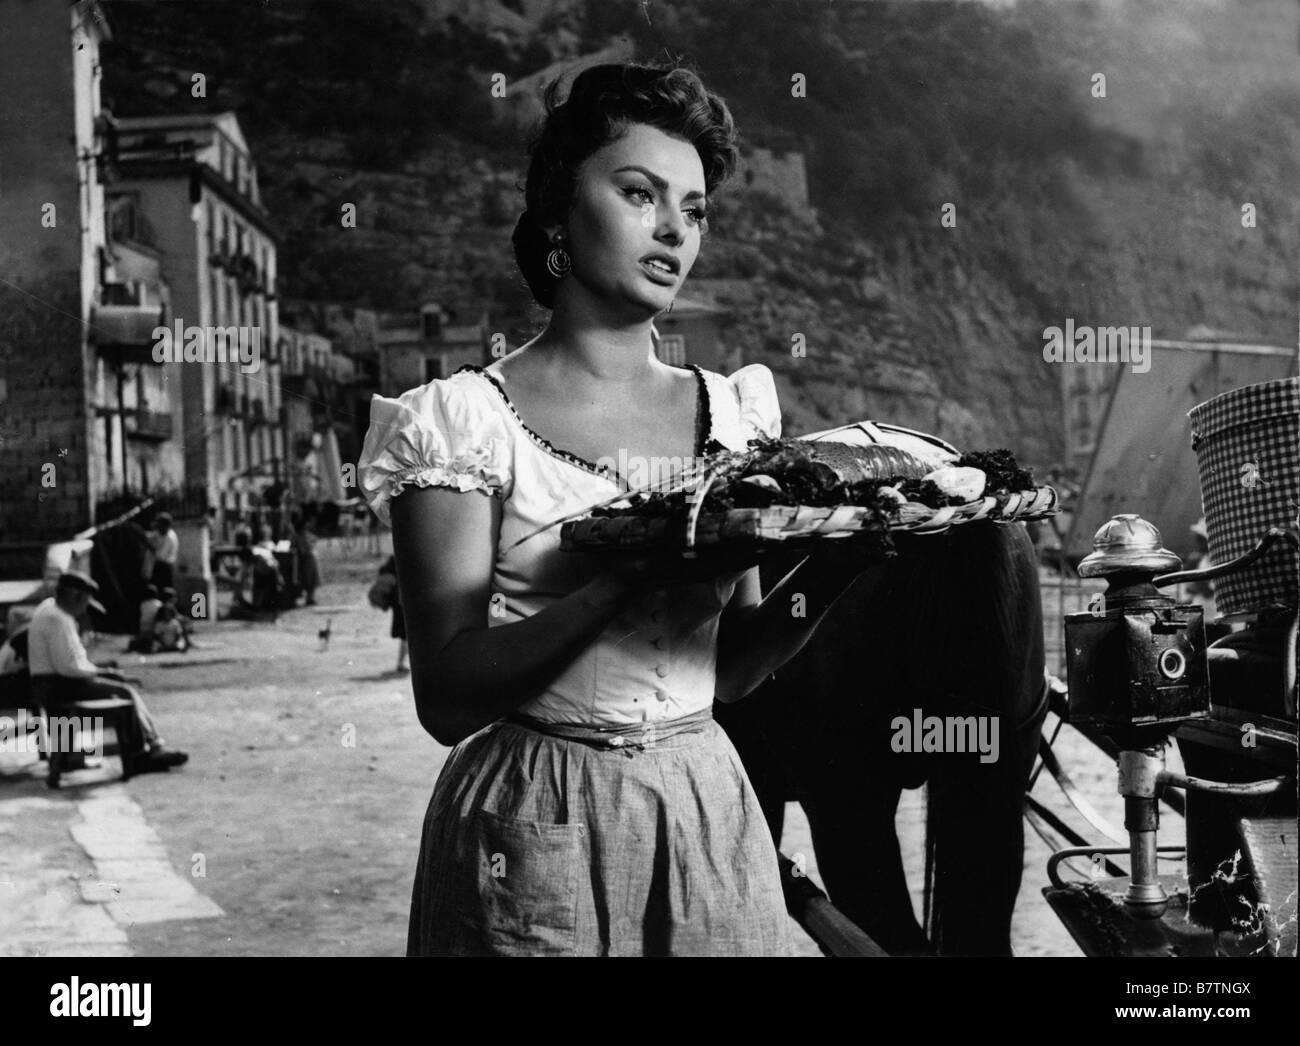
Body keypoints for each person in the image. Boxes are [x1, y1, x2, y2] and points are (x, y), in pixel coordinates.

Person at [358, 63, 889, 957]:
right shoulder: (460, 423)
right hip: (535, 814)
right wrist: (615, 587)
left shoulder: (733, 412)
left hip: (707, 805)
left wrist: (840, 565)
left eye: (696, 207)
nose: (676, 228)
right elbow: (447, 699)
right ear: (560, 214)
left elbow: (730, 672)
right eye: (640, 193)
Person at [26, 571, 188, 774]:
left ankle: (151, 746)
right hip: (58, 685)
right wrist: (103, 672)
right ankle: (145, 752)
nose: (85, 609)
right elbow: (68, 668)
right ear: (76, 597)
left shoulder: (50, 609)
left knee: (121, 688)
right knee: (124, 693)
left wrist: (101, 672)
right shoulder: (58, 619)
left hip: (51, 683)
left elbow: (70, 664)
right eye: (85, 602)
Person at [292, 516, 321, 606]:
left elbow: (315, 539)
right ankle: (307, 598)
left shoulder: (305, 535)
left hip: (310, 559)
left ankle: (310, 598)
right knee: (307, 580)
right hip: (306, 560)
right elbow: (303, 549)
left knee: (312, 579)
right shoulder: (298, 536)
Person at [146, 513, 179, 591]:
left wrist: (149, 546)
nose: (157, 528)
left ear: (166, 526)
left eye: (159, 525)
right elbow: (151, 535)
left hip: (165, 567)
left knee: (164, 591)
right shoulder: (160, 533)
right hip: (158, 566)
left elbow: (160, 555)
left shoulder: (170, 538)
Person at [128, 584, 163, 653]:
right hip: (154, 630)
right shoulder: (159, 604)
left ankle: (141, 643)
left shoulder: (142, 604)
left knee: (142, 641)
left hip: (142, 630)